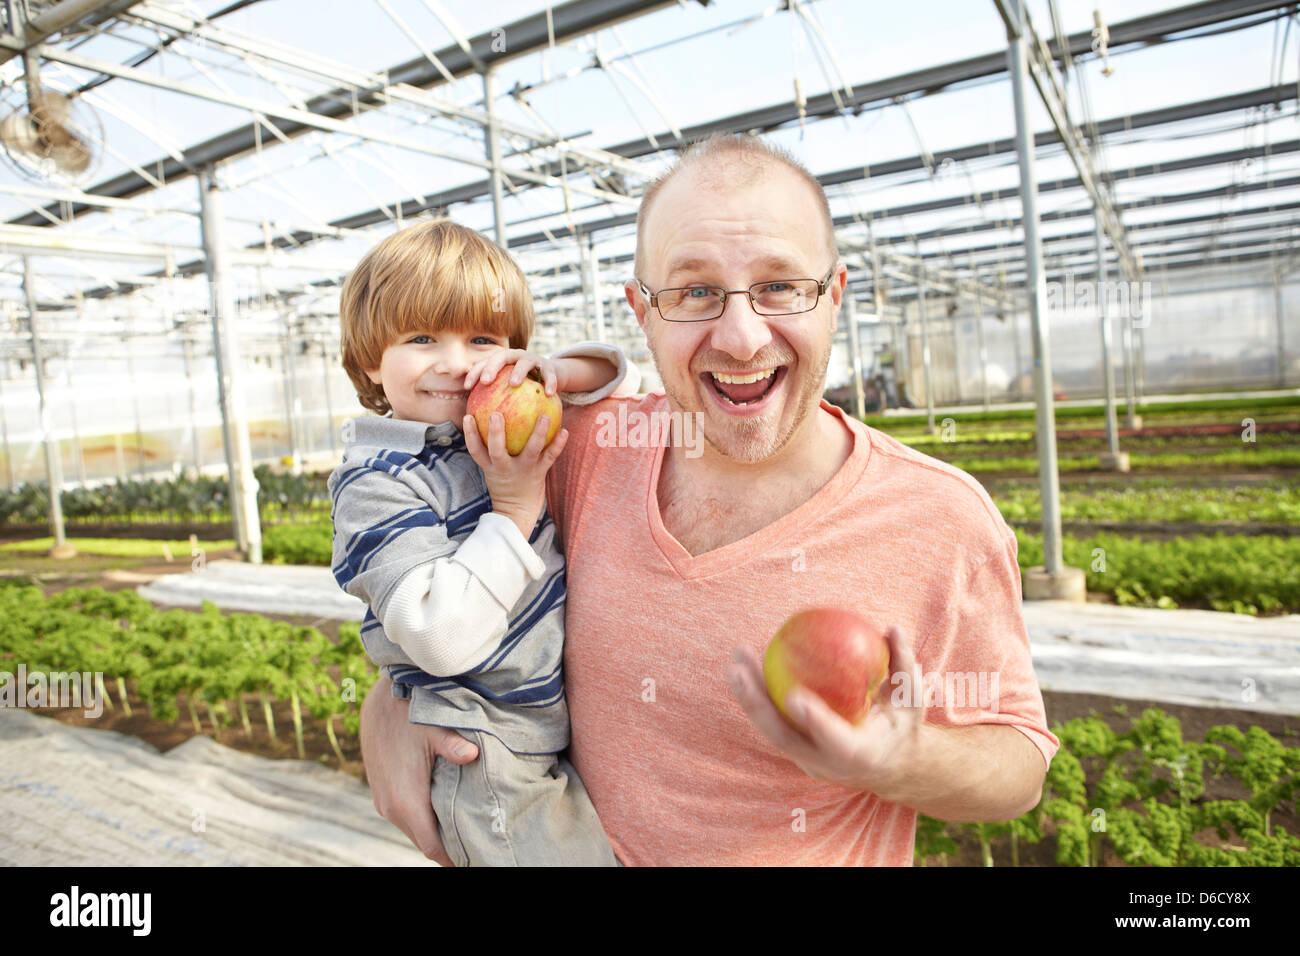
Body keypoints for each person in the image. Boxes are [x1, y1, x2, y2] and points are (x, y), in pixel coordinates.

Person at [359, 135, 1060, 866]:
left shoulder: (938, 517)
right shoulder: (579, 450)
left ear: (835, 297)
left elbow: (1020, 763)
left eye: (780, 286)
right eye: (695, 291)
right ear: (642, 312)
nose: (740, 336)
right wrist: (391, 706)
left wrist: (897, 760)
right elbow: (430, 573)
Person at [330, 218, 637, 866]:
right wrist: (514, 507)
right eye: (420, 338)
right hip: (484, 751)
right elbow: (437, 635)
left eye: (483, 338)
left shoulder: (489, 433)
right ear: (368, 360)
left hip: (537, 729)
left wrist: (554, 371)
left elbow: (629, 385)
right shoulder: (378, 482)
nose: (457, 361)